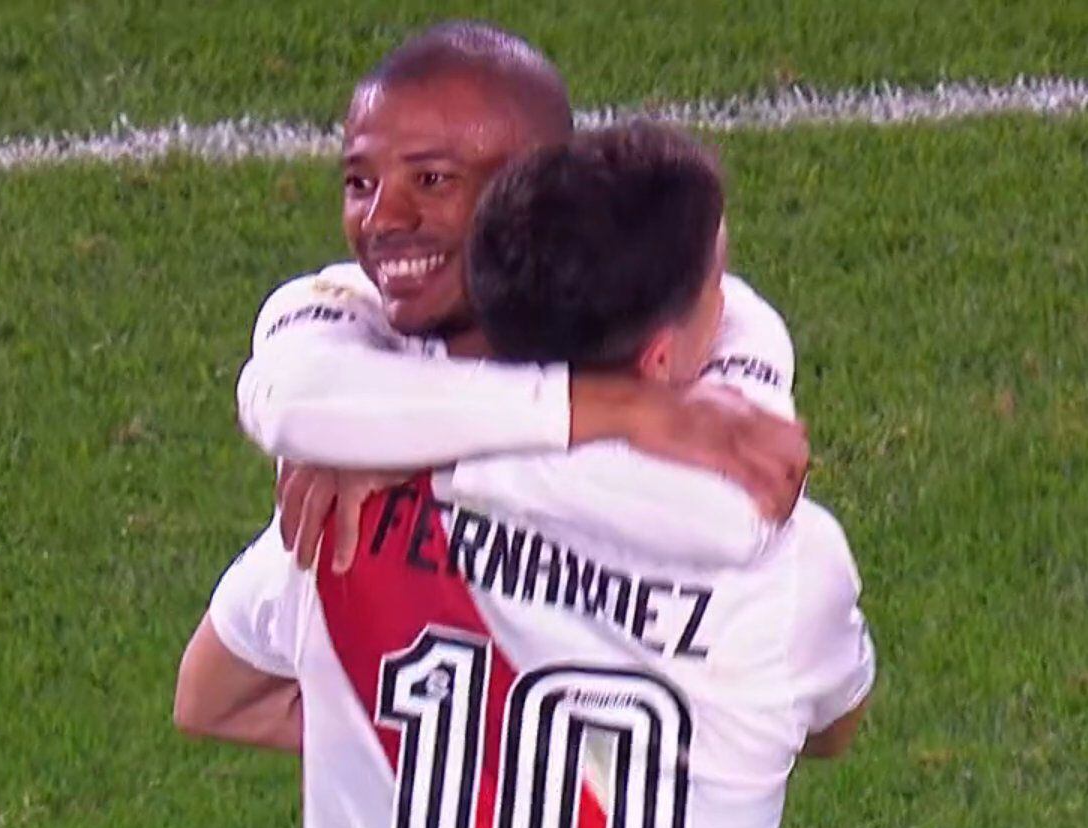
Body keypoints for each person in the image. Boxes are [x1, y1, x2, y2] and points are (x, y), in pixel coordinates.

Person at [176, 122, 875, 828]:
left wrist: (438, 759)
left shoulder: (354, 509)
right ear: (663, 358)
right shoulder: (786, 566)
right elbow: (831, 731)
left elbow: (208, 697)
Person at [236, 22, 811, 592]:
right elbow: (291, 404)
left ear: (534, 184)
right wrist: (626, 412)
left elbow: (730, 514)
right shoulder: (339, 305)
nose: (382, 219)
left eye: (432, 180)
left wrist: (405, 460)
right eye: (359, 184)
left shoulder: (700, 308)